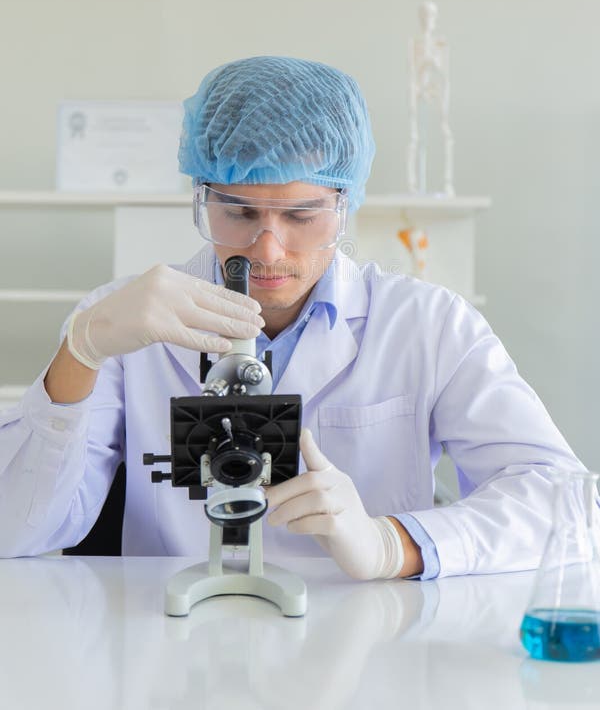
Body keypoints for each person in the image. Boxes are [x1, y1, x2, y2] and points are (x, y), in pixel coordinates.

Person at [0, 56, 585, 578]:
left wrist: (394, 543)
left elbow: (563, 503)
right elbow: (16, 531)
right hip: (169, 647)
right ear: (201, 198)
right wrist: (80, 354)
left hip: (368, 646)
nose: (269, 249)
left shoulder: (428, 325)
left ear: (345, 207)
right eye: (239, 210)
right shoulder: (119, 320)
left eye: (303, 216)